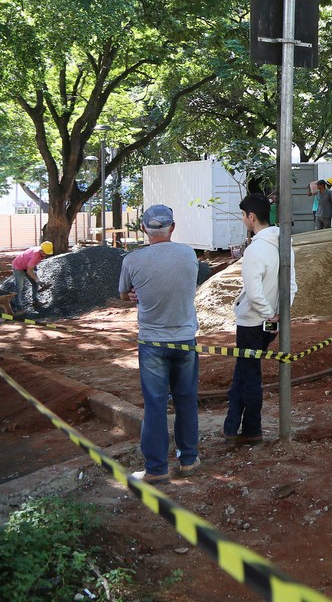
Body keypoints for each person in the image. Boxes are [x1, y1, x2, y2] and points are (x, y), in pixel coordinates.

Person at [118, 204, 202, 483]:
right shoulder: (189, 253)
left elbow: (123, 294)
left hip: (152, 341)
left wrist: (135, 294)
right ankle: (188, 460)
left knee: (155, 405)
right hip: (185, 339)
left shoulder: (132, 260)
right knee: (186, 400)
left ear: (143, 228)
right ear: (173, 227)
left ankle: (156, 468)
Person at [224, 193, 296, 444]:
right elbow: (292, 286)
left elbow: (254, 293)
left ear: (251, 217)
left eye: (244, 216)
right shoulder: (284, 244)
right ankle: (233, 426)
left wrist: (269, 314)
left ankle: (250, 428)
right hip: (269, 322)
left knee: (247, 375)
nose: (243, 221)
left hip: (252, 322)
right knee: (244, 373)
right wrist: (278, 316)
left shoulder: (255, 250)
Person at [11, 241, 53, 311]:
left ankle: (35, 301)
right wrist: (38, 280)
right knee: (19, 286)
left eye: (46, 253)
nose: (45, 254)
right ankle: (18, 306)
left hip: (26, 266)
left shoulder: (41, 252)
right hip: (18, 266)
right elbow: (29, 271)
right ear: (41, 250)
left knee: (35, 283)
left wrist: (36, 278)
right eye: (44, 252)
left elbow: (31, 266)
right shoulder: (35, 255)